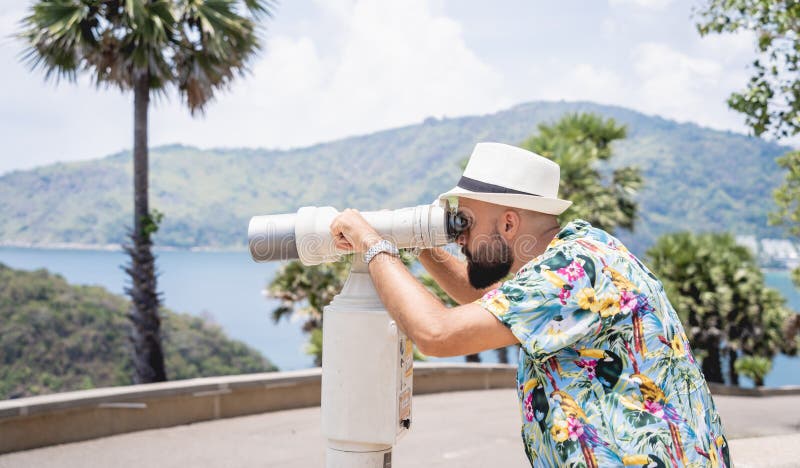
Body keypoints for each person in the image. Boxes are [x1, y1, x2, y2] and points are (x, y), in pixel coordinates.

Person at [330, 142, 730, 467]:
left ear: (508, 224)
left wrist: (373, 246)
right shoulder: (580, 250)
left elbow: (437, 334)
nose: (458, 238)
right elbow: (482, 299)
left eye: (465, 223)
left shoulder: (572, 270)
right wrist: (416, 243)